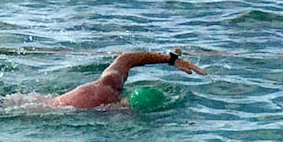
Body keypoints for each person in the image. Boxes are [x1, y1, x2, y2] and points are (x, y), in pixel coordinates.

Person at [49, 50, 205, 108]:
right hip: (50, 111)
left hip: (47, 103)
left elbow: (127, 58)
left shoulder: (110, 84)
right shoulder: (112, 108)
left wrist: (170, 59)